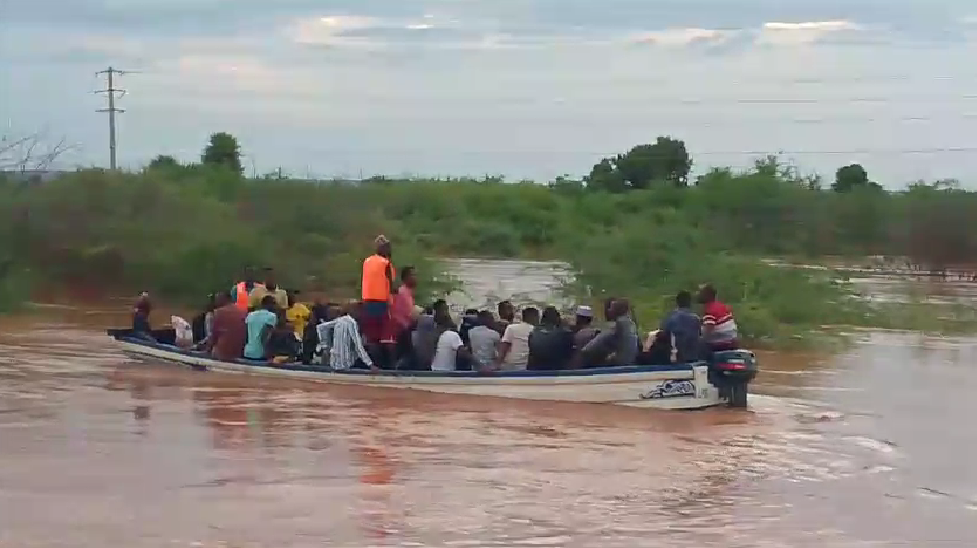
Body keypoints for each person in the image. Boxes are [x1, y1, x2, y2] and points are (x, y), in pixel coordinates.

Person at [361, 235, 397, 364]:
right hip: (381, 304)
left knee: (371, 338)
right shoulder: (385, 263)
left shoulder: (367, 261)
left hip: (366, 303)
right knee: (385, 338)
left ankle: (372, 363)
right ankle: (386, 366)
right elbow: (392, 285)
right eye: (388, 247)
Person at [577, 299, 639, 368]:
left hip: (617, 367)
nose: (608, 310)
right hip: (630, 364)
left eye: (611, 308)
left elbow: (588, 349)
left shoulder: (616, 326)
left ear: (618, 311)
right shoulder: (632, 325)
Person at [318, 303, 375, 371]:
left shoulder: (339, 320)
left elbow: (321, 327)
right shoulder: (352, 323)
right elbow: (358, 345)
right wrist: (370, 364)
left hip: (334, 363)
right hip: (346, 364)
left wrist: (325, 347)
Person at [659, 290, 702, 363]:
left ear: (677, 302)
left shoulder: (671, 318)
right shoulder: (696, 319)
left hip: (676, 357)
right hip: (694, 356)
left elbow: (663, 333)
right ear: (690, 303)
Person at [698, 283, 740, 355]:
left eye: (700, 293)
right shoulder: (721, 306)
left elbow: (708, 331)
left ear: (707, 295)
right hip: (732, 341)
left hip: (721, 344)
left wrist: (699, 338)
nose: (698, 295)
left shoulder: (710, 310)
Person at [528, 306, 573, 371]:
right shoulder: (565, 334)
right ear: (557, 319)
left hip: (536, 370)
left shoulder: (533, 333)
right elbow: (569, 354)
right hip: (557, 370)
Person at [208, 291, 247, 362]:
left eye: (218, 299)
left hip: (223, 352)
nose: (216, 302)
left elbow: (214, 335)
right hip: (239, 351)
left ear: (225, 299)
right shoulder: (242, 312)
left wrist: (208, 347)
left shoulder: (218, 312)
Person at [389, 266, 418, 358]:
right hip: (401, 332)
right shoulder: (403, 293)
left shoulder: (407, 292)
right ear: (406, 278)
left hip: (404, 331)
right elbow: (411, 315)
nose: (416, 278)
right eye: (413, 275)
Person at [498, 307, 538, 371]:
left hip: (511, 365)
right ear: (534, 317)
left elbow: (504, 347)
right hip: (527, 366)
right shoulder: (536, 330)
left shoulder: (511, 328)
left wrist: (497, 364)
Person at [244, 295, 279, 360]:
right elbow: (265, 335)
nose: (275, 307)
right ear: (269, 304)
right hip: (261, 353)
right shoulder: (271, 316)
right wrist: (268, 353)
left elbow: (245, 334)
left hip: (248, 351)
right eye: (274, 304)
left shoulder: (250, 314)